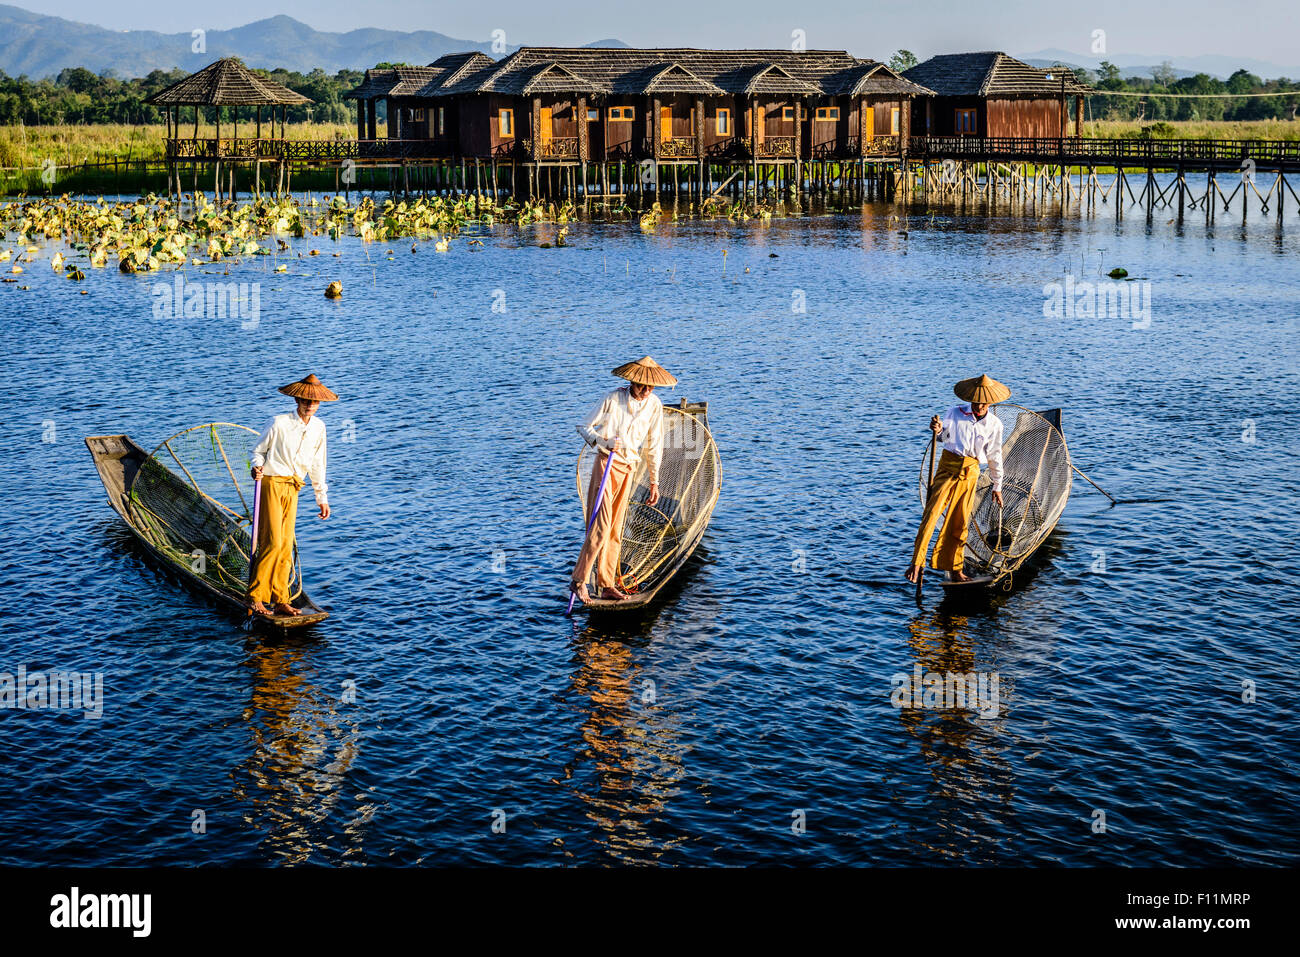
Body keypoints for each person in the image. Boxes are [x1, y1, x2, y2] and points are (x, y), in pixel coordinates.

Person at [570, 356, 675, 604]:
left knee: (615, 530)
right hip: (607, 465)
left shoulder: (654, 405)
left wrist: (654, 481)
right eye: (641, 386)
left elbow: (654, 445)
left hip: (628, 467)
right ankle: (578, 580)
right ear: (631, 381)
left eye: (650, 387)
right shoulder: (612, 398)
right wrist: (604, 442)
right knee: (601, 525)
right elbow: (584, 426)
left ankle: (607, 584)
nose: (646, 391)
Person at [906, 374, 1008, 584]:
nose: (979, 405)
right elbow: (944, 436)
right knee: (932, 514)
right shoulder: (955, 413)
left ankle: (955, 569)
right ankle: (917, 562)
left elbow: (994, 455)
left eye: (983, 402)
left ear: (989, 402)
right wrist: (937, 430)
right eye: (976, 401)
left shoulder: (994, 424)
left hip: (970, 472)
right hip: (948, 467)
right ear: (970, 400)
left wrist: (997, 485)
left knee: (960, 522)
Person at [248, 374, 336, 616]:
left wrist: (322, 497)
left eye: (315, 402)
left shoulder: (319, 428)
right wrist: (256, 467)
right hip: (272, 482)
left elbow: (319, 463)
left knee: (285, 545)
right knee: (273, 541)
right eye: (306, 401)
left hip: (295, 486)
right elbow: (257, 451)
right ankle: (256, 597)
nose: (310, 406)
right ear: (297, 400)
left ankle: (280, 599)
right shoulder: (278, 423)